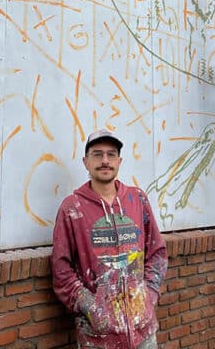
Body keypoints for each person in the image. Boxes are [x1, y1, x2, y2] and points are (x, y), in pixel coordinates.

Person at [51, 129, 168, 349]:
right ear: (85, 162)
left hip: (144, 334)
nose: (105, 161)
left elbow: (157, 253)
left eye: (111, 154)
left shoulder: (138, 199)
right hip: (98, 339)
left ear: (119, 161)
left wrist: (149, 296)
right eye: (97, 154)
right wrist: (93, 309)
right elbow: (61, 271)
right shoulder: (72, 208)